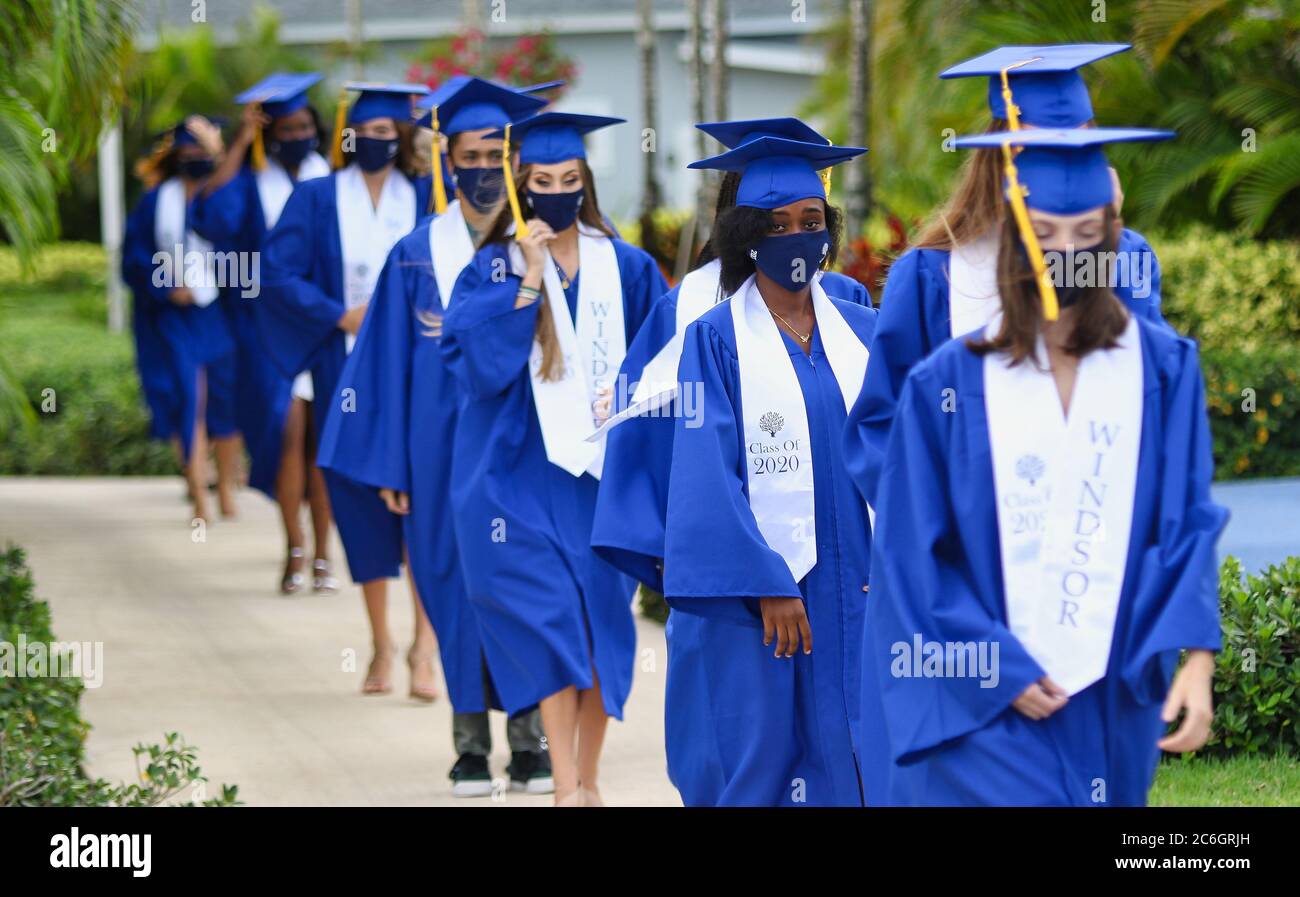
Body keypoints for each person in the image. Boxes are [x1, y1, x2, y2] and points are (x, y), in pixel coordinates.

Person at [863, 128, 1226, 806]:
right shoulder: (946, 382)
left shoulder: (1164, 367)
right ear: (1013, 237)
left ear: (1113, 235)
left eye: (1088, 230)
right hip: (989, 688)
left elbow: (1188, 521)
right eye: (1045, 230)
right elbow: (912, 551)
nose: (1067, 252)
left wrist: (1196, 656)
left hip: (1110, 676)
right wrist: (991, 664)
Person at [588, 118, 874, 806]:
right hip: (762, 599)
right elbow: (706, 472)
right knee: (761, 761)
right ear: (746, 235)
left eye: (813, 220)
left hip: (856, 590)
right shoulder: (712, 339)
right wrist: (765, 580)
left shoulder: (860, 328)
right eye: (777, 225)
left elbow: (893, 454)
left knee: (856, 757)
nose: (799, 237)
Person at [317, 77, 556, 796]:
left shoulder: (535, 249)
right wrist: (391, 461)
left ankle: (529, 735)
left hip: (518, 451)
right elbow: (382, 366)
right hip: (437, 453)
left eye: (495, 153)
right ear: (447, 162)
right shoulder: (418, 254)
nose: (483, 167)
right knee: (451, 591)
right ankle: (469, 746)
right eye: (470, 154)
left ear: (511, 164)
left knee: (517, 588)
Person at [441, 112, 667, 806]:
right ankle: (566, 787)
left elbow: (664, 359)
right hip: (520, 478)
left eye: (571, 180)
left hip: (603, 481)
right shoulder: (495, 264)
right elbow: (473, 365)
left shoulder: (626, 264)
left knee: (601, 631)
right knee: (550, 628)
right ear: (522, 186)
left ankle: (590, 777)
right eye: (544, 182)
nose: (559, 193)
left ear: (585, 182)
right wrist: (531, 278)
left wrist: (630, 390)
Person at [844, 43, 1167, 511]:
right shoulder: (932, 274)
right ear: (1002, 155)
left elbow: (1151, 384)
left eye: (1080, 145)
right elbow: (883, 424)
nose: (1063, 164)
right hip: (971, 542)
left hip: (1096, 527)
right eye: (1039, 147)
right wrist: (937, 532)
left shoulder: (1126, 256)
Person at [259, 83, 434, 694]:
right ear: (348, 135)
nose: (379, 142)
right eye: (369, 133)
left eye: (391, 133)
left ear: (406, 138)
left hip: (418, 371)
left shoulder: (426, 197)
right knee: (360, 499)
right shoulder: (316, 197)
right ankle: (381, 645)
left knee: (423, 501)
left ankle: (424, 647)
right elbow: (275, 273)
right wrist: (338, 314)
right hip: (346, 367)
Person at [189, 72, 336, 594]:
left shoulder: (332, 177)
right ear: (274, 134)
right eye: (288, 128)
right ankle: (295, 548)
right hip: (271, 335)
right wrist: (241, 143)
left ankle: (322, 555)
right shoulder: (253, 184)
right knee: (286, 436)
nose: (298, 136)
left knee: (322, 443)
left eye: (305, 126)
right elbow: (207, 217)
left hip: (325, 327)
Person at [122, 118, 239, 523]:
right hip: (173, 316)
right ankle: (198, 493)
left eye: (201, 154)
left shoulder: (224, 193)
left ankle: (225, 487)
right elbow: (134, 257)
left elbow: (240, 240)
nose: (194, 160)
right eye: (186, 154)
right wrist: (165, 287)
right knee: (189, 398)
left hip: (218, 312)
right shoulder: (157, 200)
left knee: (224, 401)